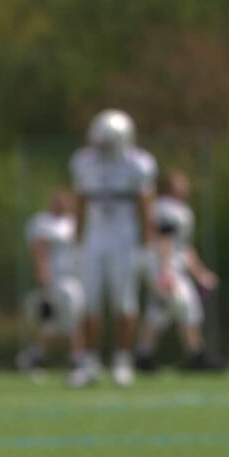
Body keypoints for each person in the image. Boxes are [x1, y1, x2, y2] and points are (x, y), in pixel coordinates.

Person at [69, 109, 157, 388]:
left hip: (124, 240)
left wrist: (146, 245)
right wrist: (77, 241)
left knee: (124, 302)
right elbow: (80, 202)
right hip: (95, 239)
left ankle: (122, 360)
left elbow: (146, 207)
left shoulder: (138, 163)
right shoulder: (83, 161)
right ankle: (89, 362)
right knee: (89, 302)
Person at [135, 170, 224, 372]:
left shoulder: (182, 211)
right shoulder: (165, 208)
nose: (186, 186)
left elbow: (184, 247)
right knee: (183, 305)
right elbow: (163, 240)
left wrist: (200, 273)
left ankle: (146, 355)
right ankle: (195, 355)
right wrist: (165, 271)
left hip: (172, 266)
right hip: (163, 266)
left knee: (163, 310)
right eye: (181, 183)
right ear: (170, 187)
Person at [18, 188, 85, 379]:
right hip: (57, 278)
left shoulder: (75, 223)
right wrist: (42, 272)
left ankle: (34, 355)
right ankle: (77, 358)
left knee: (56, 322)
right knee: (69, 318)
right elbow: (39, 249)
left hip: (75, 277)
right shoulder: (43, 222)